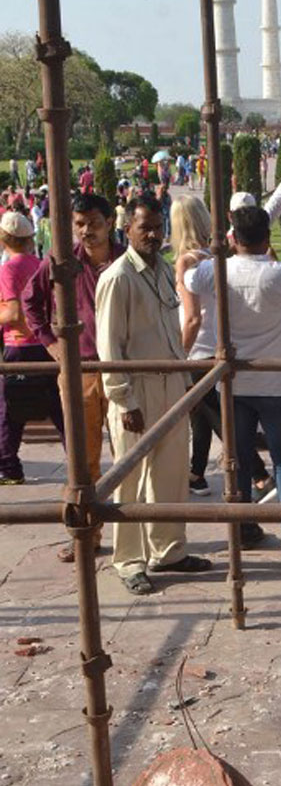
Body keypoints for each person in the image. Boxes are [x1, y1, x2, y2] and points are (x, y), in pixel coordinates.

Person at [185, 204, 281, 559]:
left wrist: (206, 254)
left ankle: (243, 526)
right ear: (267, 237)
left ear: (233, 237)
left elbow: (188, 278)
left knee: (238, 458)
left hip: (234, 380)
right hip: (274, 382)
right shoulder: (280, 274)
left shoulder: (215, 270)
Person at [96, 193, 211, 594]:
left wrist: (184, 383)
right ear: (127, 228)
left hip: (170, 383)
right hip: (137, 388)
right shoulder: (118, 277)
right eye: (144, 227)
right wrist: (123, 399)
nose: (152, 234)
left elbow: (173, 331)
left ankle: (168, 550)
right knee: (130, 478)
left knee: (171, 473)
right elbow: (109, 345)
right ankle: (130, 560)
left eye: (158, 227)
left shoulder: (162, 270)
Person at [22, 193, 122, 557]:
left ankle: (136, 536)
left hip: (123, 368)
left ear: (110, 222)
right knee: (83, 458)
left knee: (130, 453)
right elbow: (30, 301)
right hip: (80, 368)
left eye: (93, 223)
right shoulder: (61, 261)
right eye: (79, 224)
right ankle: (87, 534)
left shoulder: (126, 260)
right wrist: (51, 345)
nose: (86, 231)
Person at [171, 193, 271, 497]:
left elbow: (191, 318)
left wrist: (177, 356)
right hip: (216, 343)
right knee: (202, 414)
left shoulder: (187, 261)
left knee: (218, 420)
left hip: (197, 350)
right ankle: (197, 473)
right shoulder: (215, 256)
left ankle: (260, 475)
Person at [0, 210, 65, 485]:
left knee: (9, 409)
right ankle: (81, 460)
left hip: (19, 344)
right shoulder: (38, 264)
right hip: (44, 342)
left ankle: (9, 466)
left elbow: (14, 313)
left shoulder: (9, 269)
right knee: (58, 406)